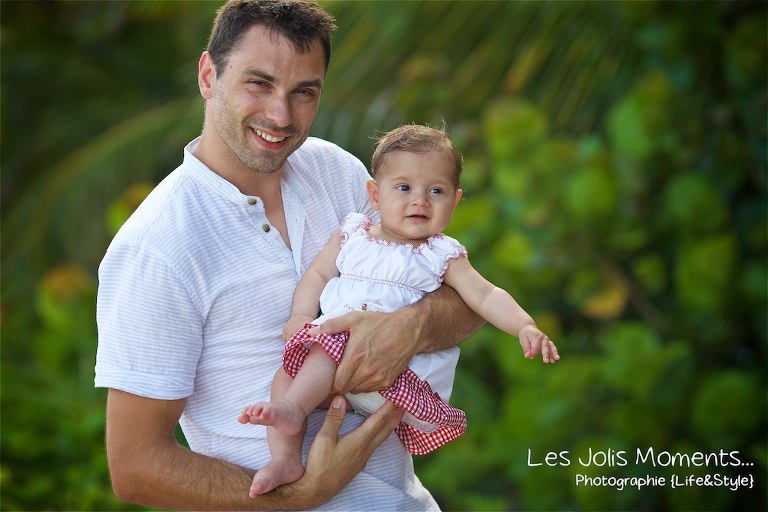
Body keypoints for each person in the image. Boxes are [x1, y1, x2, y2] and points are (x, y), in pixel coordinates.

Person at [94, 1, 483, 510]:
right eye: (259, 83)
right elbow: (135, 467)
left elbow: (469, 302)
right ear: (209, 76)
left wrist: (412, 326)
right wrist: (303, 494)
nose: (281, 116)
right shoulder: (156, 246)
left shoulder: (336, 171)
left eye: (304, 92)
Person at [237, 124, 560, 495]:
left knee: (314, 361)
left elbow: (484, 296)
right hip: (337, 368)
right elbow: (318, 273)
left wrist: (524, 326)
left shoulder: (441, 253)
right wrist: (300, 317)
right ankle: (284, 458)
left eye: (435, 191)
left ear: (455, 201)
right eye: (404, 188)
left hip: (395, 376)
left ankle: (294, 412)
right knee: (285, 376)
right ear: (375, 194)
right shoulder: (353, 234)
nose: (419, 200)